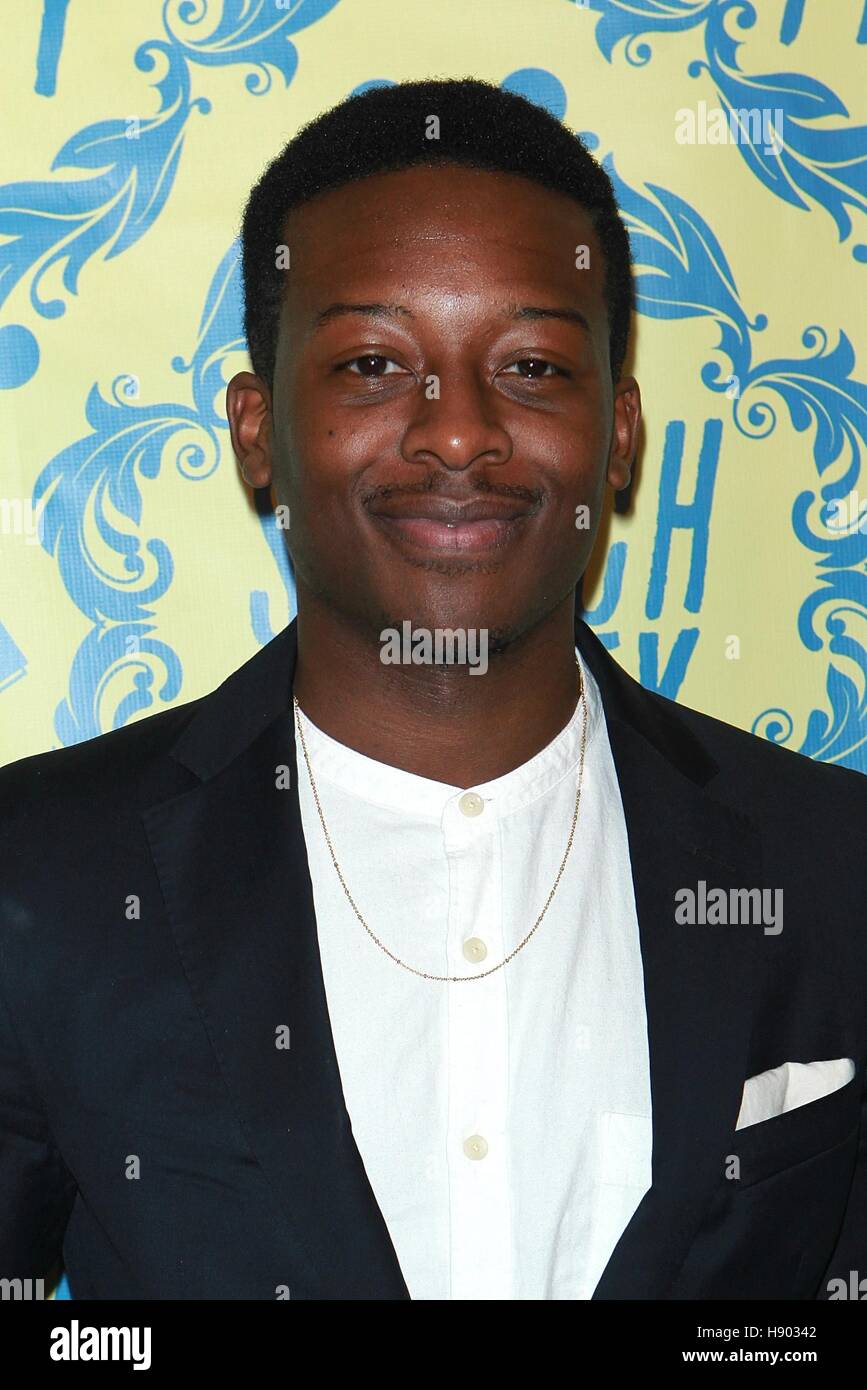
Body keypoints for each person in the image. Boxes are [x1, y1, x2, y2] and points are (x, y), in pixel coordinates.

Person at [1, 78, 864, 1301]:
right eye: (371, 361)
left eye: (530, 366)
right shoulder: (40, 877)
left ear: (618, 433)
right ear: (258, 430)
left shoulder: (831, 864)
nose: (456, 433)